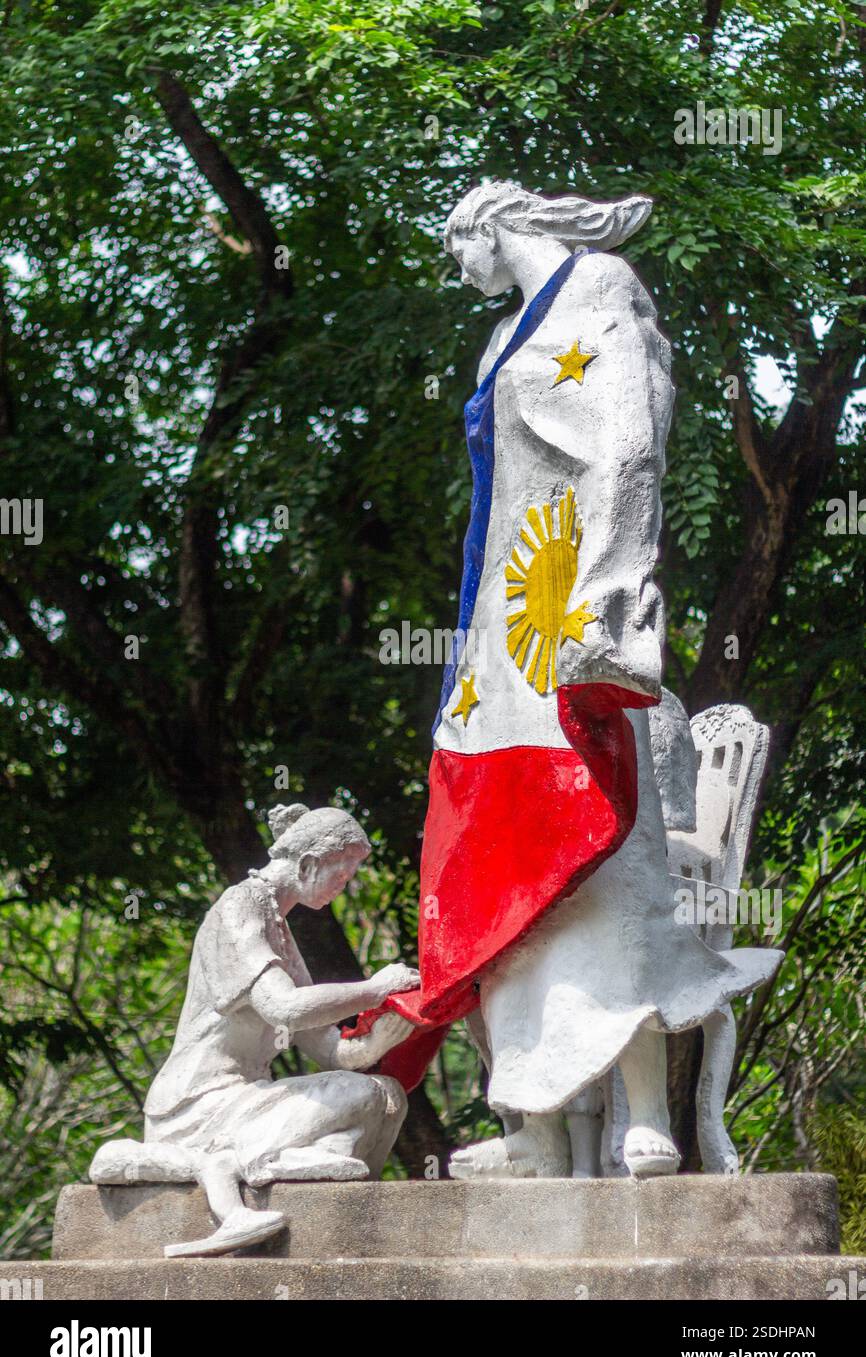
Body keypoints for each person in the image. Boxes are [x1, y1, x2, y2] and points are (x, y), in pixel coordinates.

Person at [358, 182, 782, 1180]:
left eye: (455, 248)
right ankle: (531, 1120)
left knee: (607, 859)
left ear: (485, 228)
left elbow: (629, 449)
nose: (459, 272)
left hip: (571, 612)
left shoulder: (602, 290)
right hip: (498, 641)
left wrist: (610, 597)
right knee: (497, 865)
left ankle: (642, 1110)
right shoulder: (504, 335)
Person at [90, 803, 418, 1255]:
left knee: (388, 1095)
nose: (347, 885)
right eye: (344, 874)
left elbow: (327, 1049)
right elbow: (283, 1007)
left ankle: (311, 1167)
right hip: (200, 1103)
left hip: (248, 1098)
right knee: (360, 1095)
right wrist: (373, 990)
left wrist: (378, 1041)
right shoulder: (238, 907)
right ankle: (269, 1162)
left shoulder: (278, 927)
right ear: (307, 865)